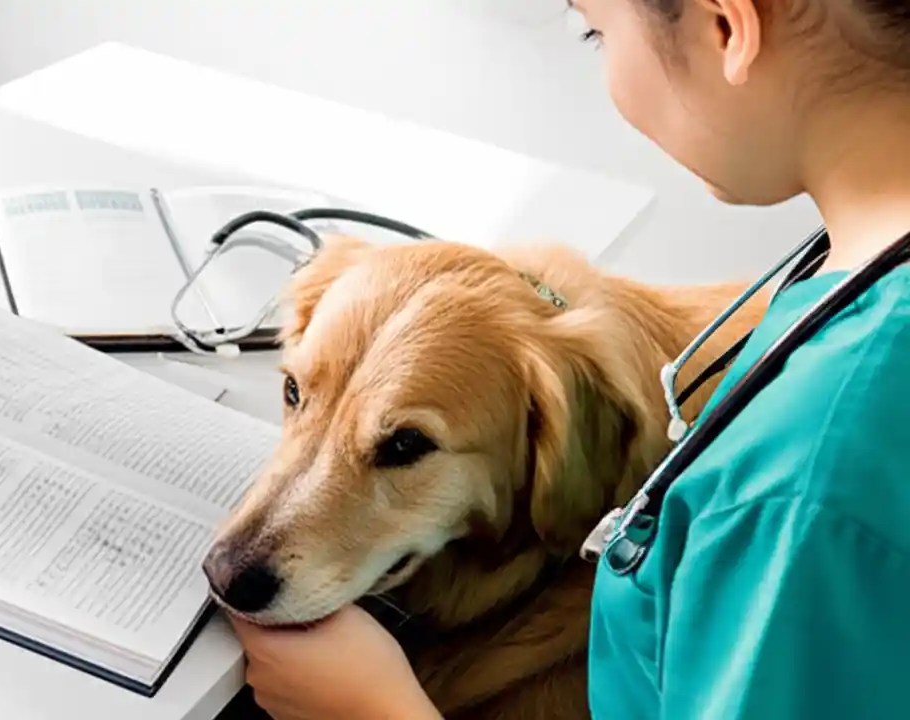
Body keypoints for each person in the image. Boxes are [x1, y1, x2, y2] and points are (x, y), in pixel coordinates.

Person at [227, 0, 910, 718]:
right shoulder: (848, 278)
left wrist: (377, 710)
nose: (604, 60)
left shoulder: (803, 490)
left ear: (725, 26)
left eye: (596, 30)